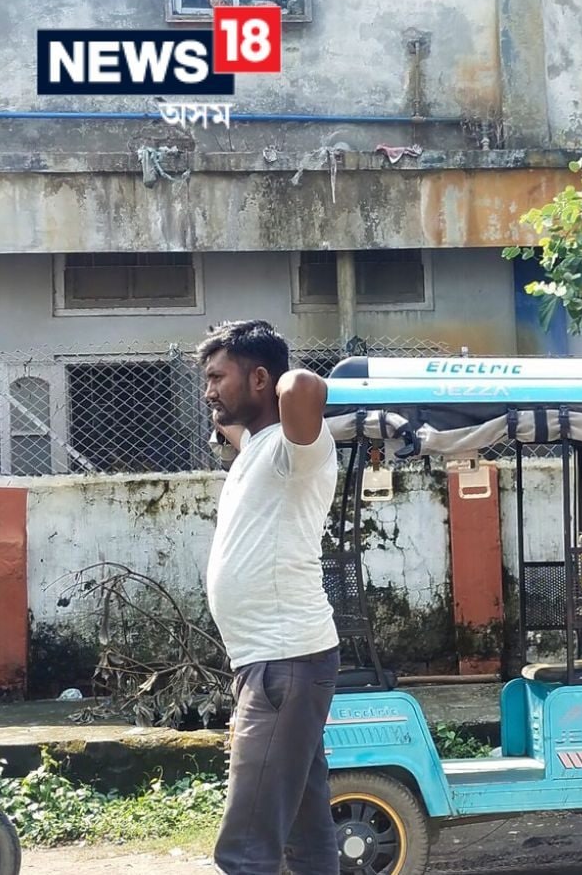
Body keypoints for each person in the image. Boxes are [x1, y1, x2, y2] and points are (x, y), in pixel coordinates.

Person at [198, 320, 340, 875]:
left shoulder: (295, 447)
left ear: (259, 378)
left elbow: (301, 387)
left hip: (284, 662)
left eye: (217, 376)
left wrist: (279, 380)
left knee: (245, 846)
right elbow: (235, 426)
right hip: (274, 661)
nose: (207, 389)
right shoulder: (258, 447)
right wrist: (228, 417)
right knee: (304, 838)